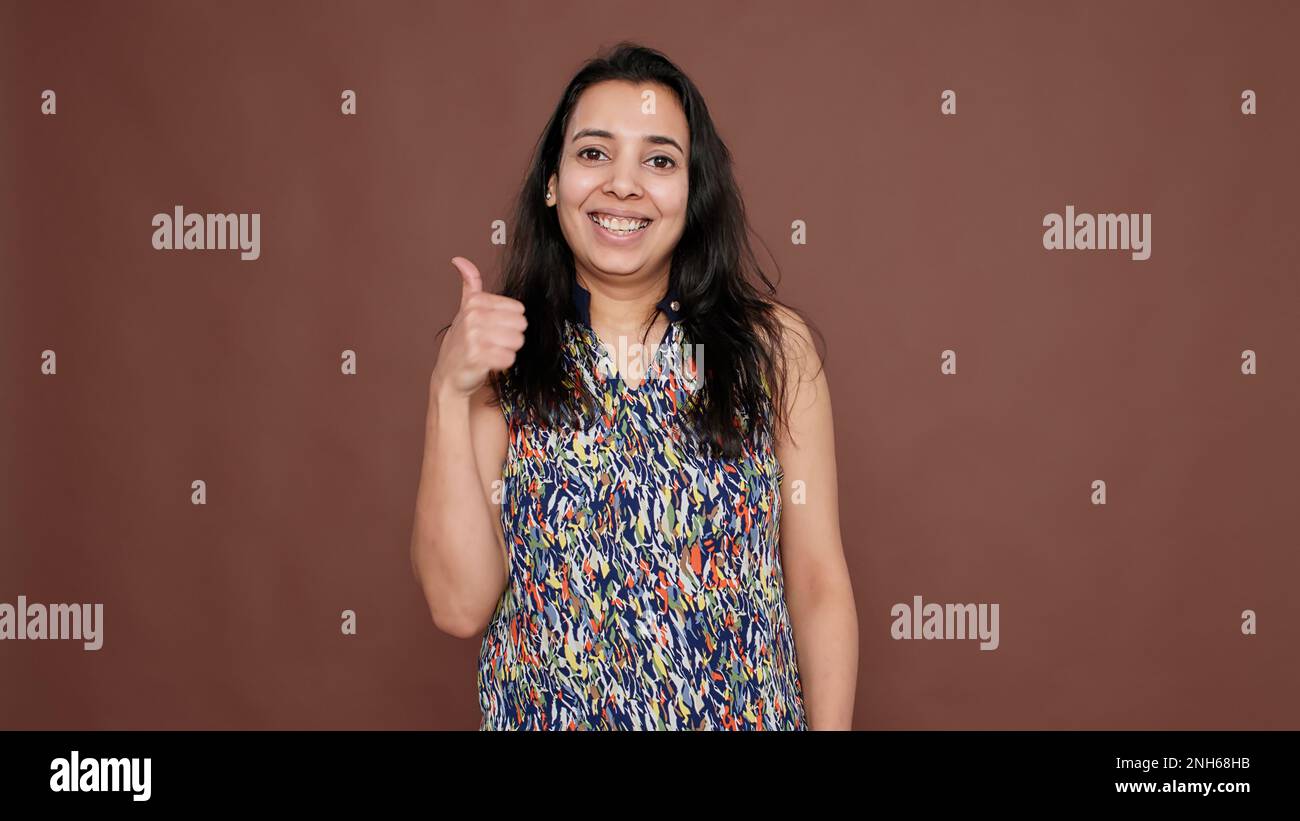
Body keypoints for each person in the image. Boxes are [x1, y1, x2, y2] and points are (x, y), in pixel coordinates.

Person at [411, 42, 858, 730]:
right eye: (594, 153)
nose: (623, 185)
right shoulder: (501, 357)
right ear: (552, 182)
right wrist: (448, 389)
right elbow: (459, 605)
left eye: (659, 160)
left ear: (694, 192)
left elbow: (819, 582)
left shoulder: (774, 349)